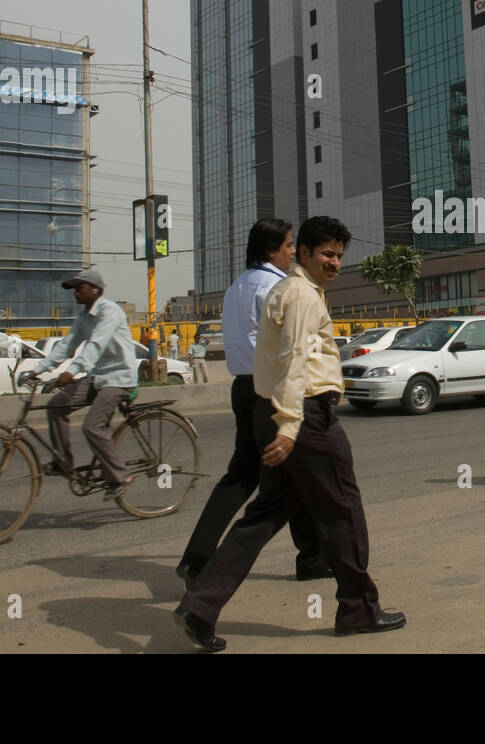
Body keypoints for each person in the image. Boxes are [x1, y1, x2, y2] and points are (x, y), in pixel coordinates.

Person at [174, 216, 403, 651]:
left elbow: (275, 359)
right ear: (303, 254)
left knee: (264, 514)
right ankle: (358, 609)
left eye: (339, 255)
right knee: (343, 510)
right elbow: (295, 358)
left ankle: (199, 606)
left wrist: (277, 418)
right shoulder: (300, 295)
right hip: (305, 415)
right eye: (326, 254)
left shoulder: (286, 289)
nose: (334, 263)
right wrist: (291, 425)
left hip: (273, 408)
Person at [177, 219, 329, 587]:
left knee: (244, 476)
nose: (293, 252)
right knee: (295, 476)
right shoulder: (279, 287)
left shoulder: (235, 288)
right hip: (273, 388)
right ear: (270, 251)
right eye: (289, 246)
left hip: (243, 388)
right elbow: (291, 346)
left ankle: (196, 559)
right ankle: (310, 558)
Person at [19, 268, 138, 500]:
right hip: (96, 377)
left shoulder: (109, 312)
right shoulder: (83, 317)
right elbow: (66, 346)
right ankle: (63, 462)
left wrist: (72, 371)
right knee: (56, 406)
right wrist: (37, 370)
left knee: (92, 426)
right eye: (73, 289)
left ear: (96, 289)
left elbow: (96, 345)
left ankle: (120, 475)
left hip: (119, 378)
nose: (75, 293)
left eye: (79, 288)